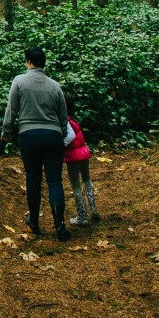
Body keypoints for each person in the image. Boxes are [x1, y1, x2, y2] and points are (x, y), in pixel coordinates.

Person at [1, 47, 71, 241]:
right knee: (55, 180)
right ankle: (60, 224)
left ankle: (35, 222)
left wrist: (6, 131)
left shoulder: (19, 81)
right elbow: (63, 116)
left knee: (33, 178)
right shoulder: (54, 86)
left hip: (29, 135)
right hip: (53, 136)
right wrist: (61, 135)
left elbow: (11, 110)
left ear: (29, 61)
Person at [63, 97, 99, 226]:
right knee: (87, 179)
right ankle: (93, 208)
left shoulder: (65, 120)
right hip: (84, 153)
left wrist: (61, 146)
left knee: (76, 186)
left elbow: (71, 136)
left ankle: (82, 216)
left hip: (73, 156)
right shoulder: (74, 118)